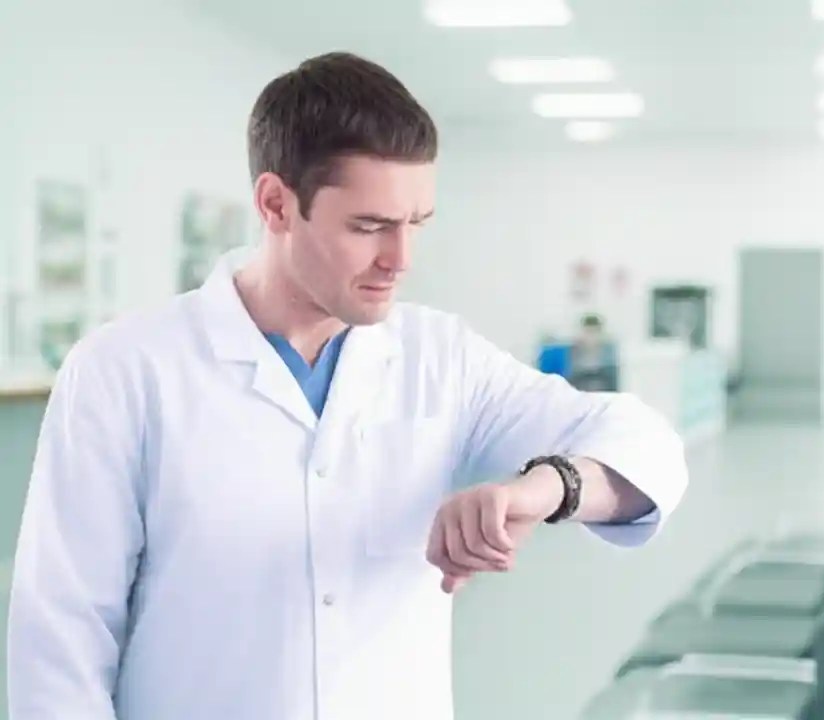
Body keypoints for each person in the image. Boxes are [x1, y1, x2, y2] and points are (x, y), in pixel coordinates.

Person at [7, 52, 688, 720]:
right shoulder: (126, 370)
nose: (401, 260)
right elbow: (61, 638)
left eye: (415, 224)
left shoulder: (439, 358)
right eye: (369, 227)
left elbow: (647, 444)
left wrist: (542, 488)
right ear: (276, 204)